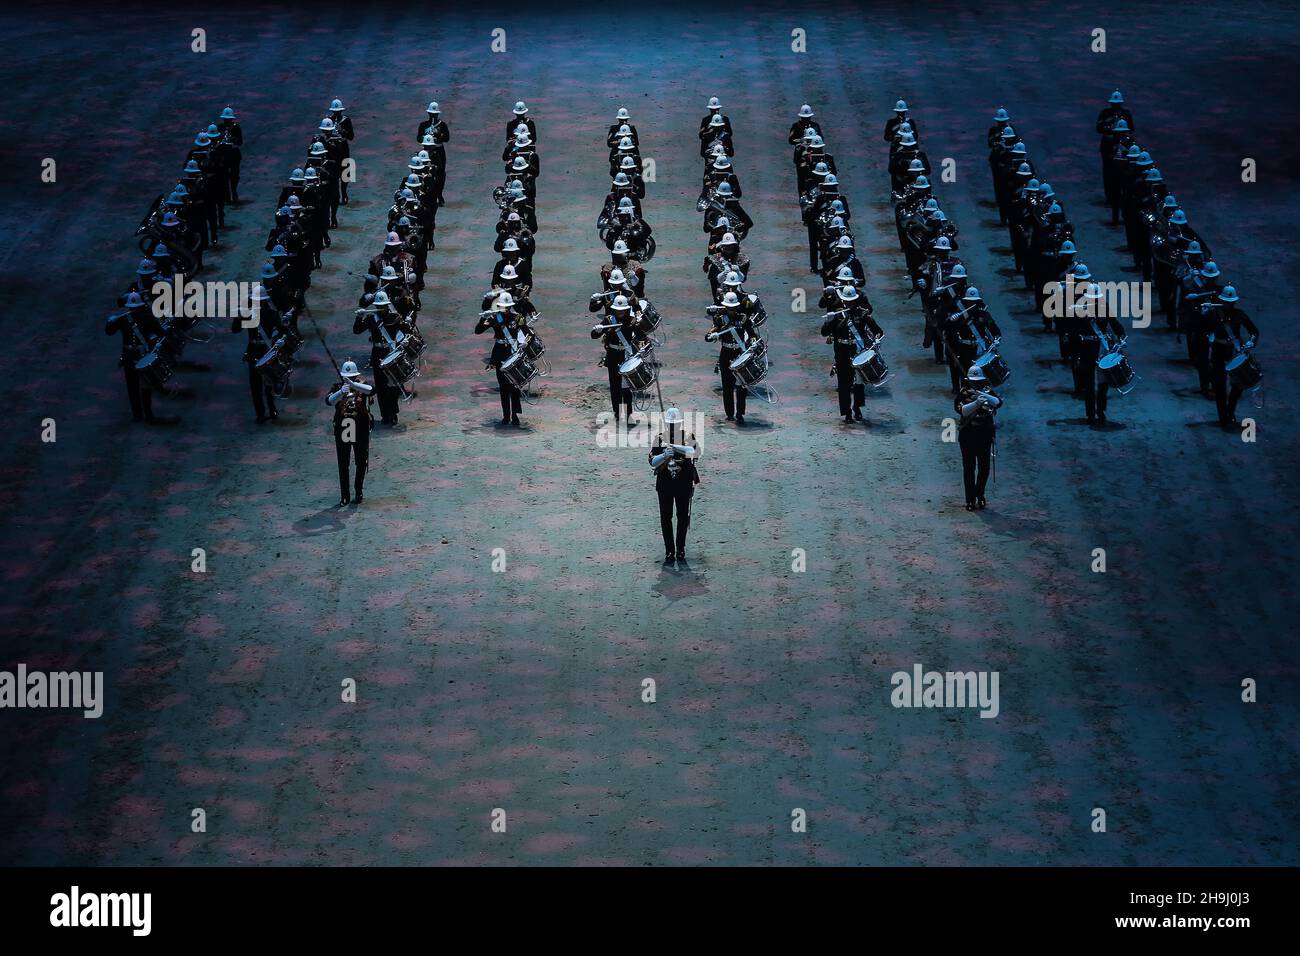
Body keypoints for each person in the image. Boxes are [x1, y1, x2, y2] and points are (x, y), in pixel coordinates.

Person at [649, 407, 700, 564]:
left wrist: (676, 447)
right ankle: (669, 550)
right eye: (670, 424)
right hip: (665, 485)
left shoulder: (688, 437)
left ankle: (681, 548)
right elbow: (651, 462)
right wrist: (664, 454)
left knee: (683, 517)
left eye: (675, 424)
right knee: (666, 518)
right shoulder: (659, 439)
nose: (672, 428)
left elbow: (695, 452)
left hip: (683, 484)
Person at [955, 364, 1003, 511]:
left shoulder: (988, 392)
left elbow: (998, 403)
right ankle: (970, 499)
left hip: (985, 435)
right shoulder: (963, 394)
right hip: (968, 435)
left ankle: (980, 494)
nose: (975, 383)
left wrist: (985, 396)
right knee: (969, 468)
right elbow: (962, 411)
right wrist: (976, 403)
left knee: (984, 468)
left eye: (978, 381)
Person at [327, 361, 373, 506]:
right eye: (347, 377)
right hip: (344, 428)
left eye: (352, 377)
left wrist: (354, 386)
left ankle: (358, 491)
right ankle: (344, 495)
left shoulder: (362, 385)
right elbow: (328, 401)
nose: (350, 379)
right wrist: (341, 392)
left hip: (360, 427)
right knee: (343, 463)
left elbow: (372, 390)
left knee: (361, 461)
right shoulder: (337, 388)